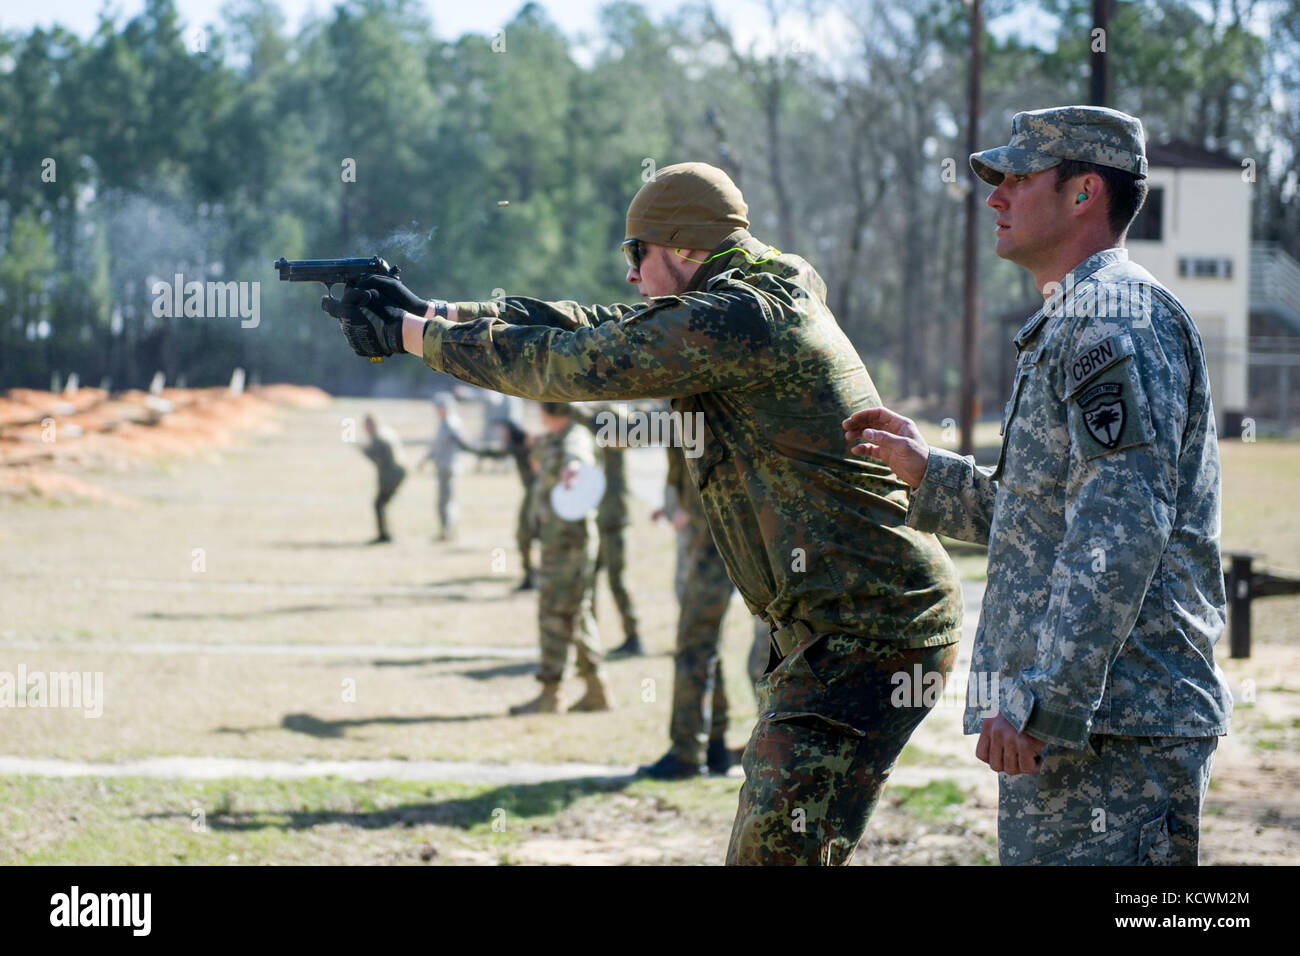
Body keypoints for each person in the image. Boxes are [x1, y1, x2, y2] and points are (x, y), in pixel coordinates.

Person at [322, 161, 963, 865]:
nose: (631, 274)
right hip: (848, 625)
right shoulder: (764, 286)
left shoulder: (742, 319)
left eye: (638, 253)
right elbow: (601, 324)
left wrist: (415, 338)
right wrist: (438, 313)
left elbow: (580, 361)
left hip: (865, 632)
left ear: (686, 247)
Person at [844, 106, 1233, 865]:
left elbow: (1119, 528)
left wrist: (1046, 698)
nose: (995, 196)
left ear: (1084, 193)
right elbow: (1045, 519)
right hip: (1084, 722)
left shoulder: (1111, 321)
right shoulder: (1073, 319)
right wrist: (931, 475)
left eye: (1017, 178)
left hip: (1115, 723)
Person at [638, 444, 736, 778]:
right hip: (711, 533)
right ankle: (713, 742)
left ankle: (687, 753)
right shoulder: (682, 404)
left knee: (695, 640)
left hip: (717, 535)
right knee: (703, 639)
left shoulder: (692, 397)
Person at [506, 401, 609, 715]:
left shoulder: (574, 438)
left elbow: (577, 460)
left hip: (569, 544)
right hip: (558, 541)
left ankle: (551, 694)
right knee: (576, 612)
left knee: (554, 612)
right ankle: (597, 690)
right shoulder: (552, 437)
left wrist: (574, 468)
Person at [567, 401, 642, 656]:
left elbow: (603, 428)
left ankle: (633, 636)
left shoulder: (613, 428)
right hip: (597, 514)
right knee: (587, 579)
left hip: (614, 516)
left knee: (617, 580)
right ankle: (591, 637)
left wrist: (573, 405)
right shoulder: (593, 428)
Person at [455, 416, 539, 589]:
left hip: (538, 496)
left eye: (503, 432)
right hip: (536, 495)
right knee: (529, 536)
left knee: (527, 535)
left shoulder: (523, 446)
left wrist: (468, 447)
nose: (501, 435)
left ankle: (534, 575)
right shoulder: (523, 445)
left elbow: (495, 453)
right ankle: (533, 575)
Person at [421, 393, 464, 541]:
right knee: (443, 501)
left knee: (446, 501)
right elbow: (436, 446)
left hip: (449, 467)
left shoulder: (451, 423)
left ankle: (448, 530)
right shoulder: (444, 422)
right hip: (442, 466)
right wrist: (425, 460)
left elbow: (461, 443)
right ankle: (446, 529)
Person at [359, 413, 407, 543]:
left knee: (379, 504)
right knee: (381, 504)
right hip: (398, 471)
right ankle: (385, 533)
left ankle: (384, 535)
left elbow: (378, 459)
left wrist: (364, 451)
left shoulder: (378, 437)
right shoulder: (385, 432)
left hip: (391, 473)